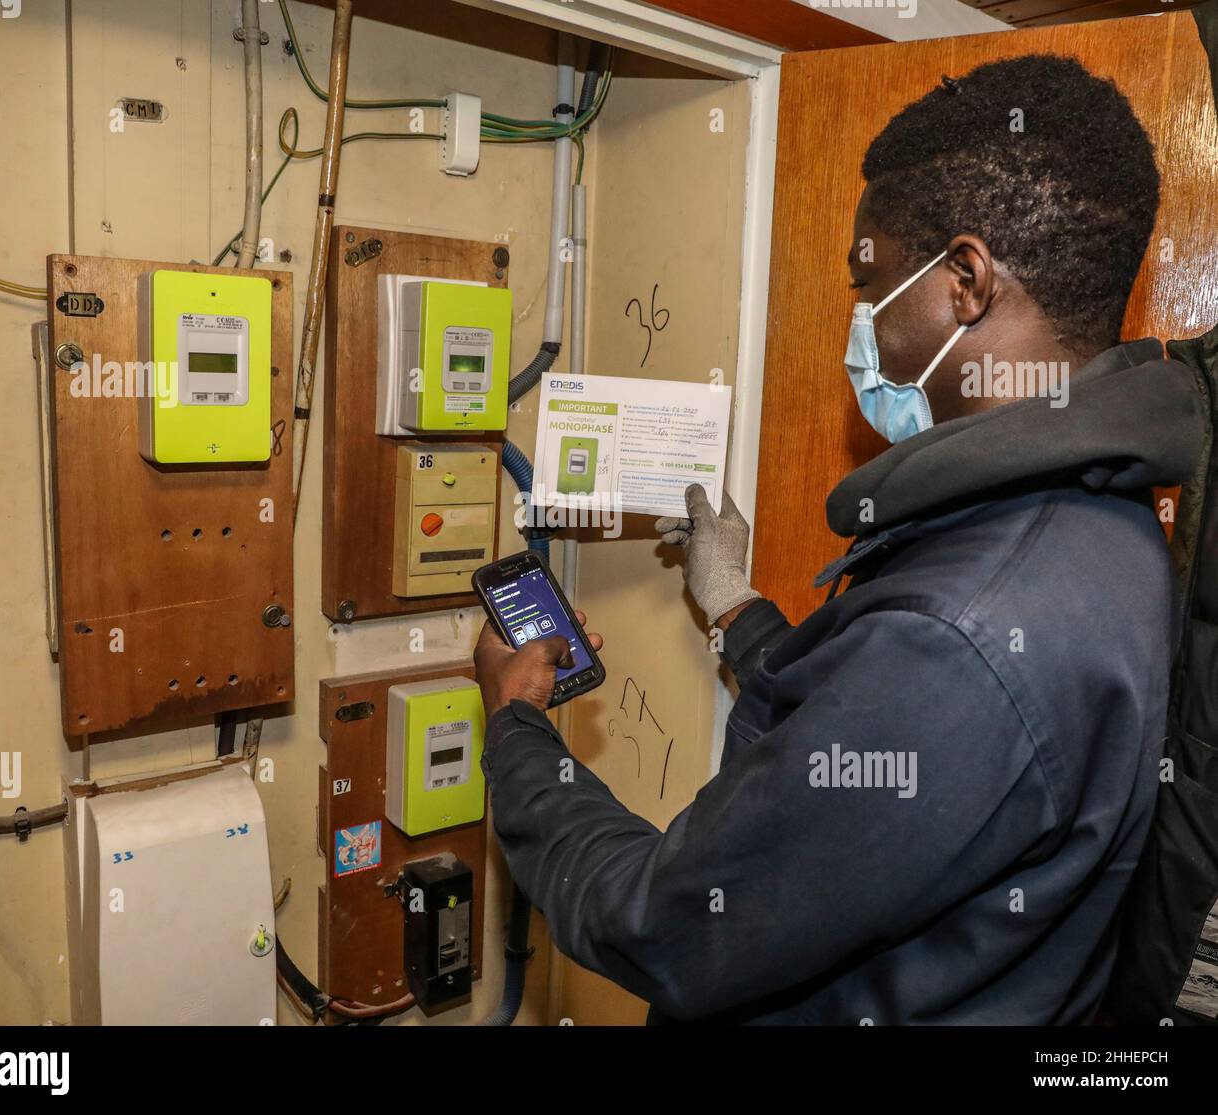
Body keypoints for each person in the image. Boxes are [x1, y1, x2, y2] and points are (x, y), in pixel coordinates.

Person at [473, 53, 1204, 1024]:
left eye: (873, 284)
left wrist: (515, 727)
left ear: (963, 282)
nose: (860, 325)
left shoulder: (965, 629)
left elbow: (661, 922)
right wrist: (736, 608)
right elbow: (891, 741)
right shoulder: (1107, 524)